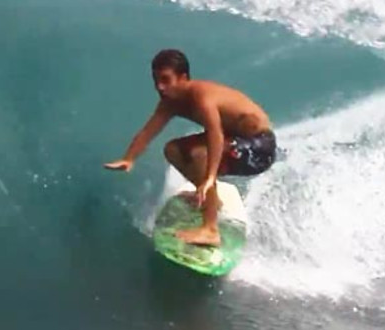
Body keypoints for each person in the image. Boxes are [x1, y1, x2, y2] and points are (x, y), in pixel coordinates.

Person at [104, 49, 277, 247]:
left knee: (198, 154)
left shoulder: (202, 97)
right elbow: (147, 132)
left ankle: (210, 230)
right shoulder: (169, 103)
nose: (160, 87)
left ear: (183, 78)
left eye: (166, 79)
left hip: (259, 148)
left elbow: (215, 135)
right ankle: (212, 201)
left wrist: (210, 176)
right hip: (235, 140)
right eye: (156, 80)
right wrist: (129, 158)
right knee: (173, 150)